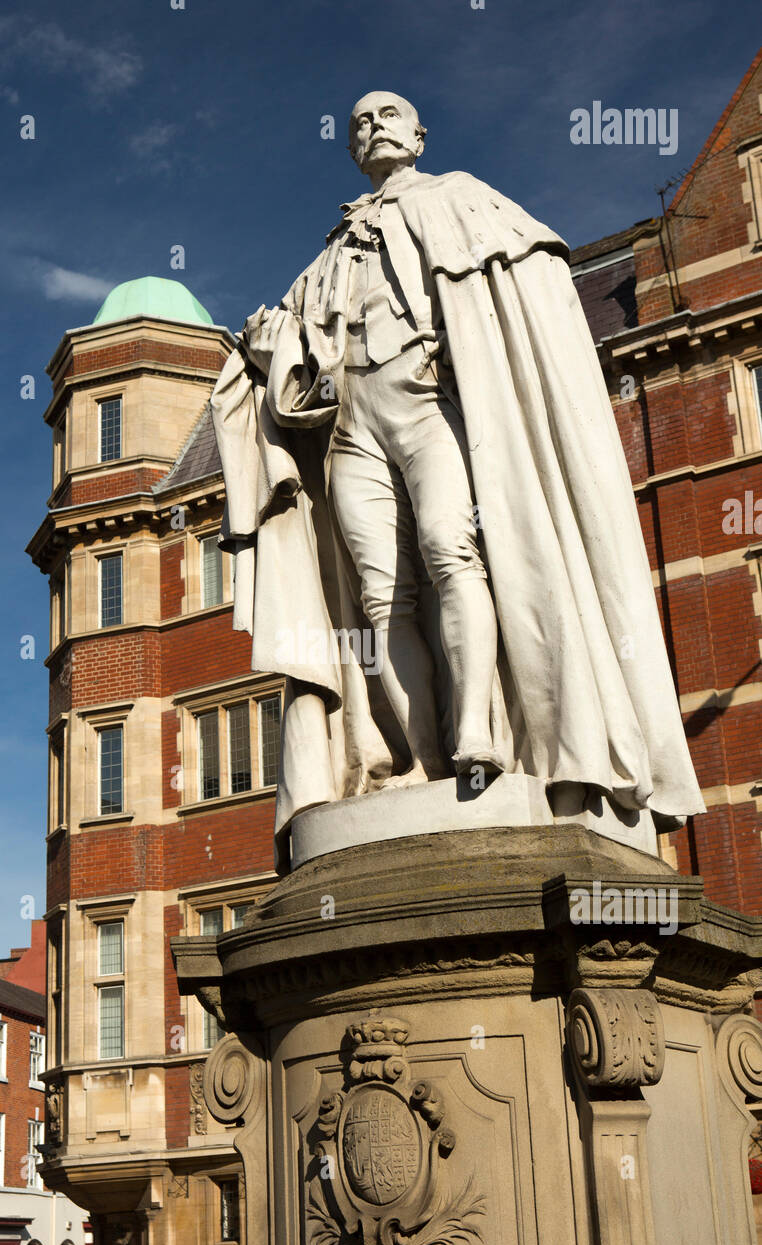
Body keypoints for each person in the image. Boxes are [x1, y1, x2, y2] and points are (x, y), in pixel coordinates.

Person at [211, 90, 705, 866]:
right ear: (350, 149)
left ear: (419, 134)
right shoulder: (320, 264)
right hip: (350, 429)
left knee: (453, 551)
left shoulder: (463, 200)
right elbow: (287, 377)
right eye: (358, 122)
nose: (373, 126)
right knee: (380, 599)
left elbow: (530, 290)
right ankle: (423, 760)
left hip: (426, 399)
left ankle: (477, 727)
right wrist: (272, 352)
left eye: (388, 115)